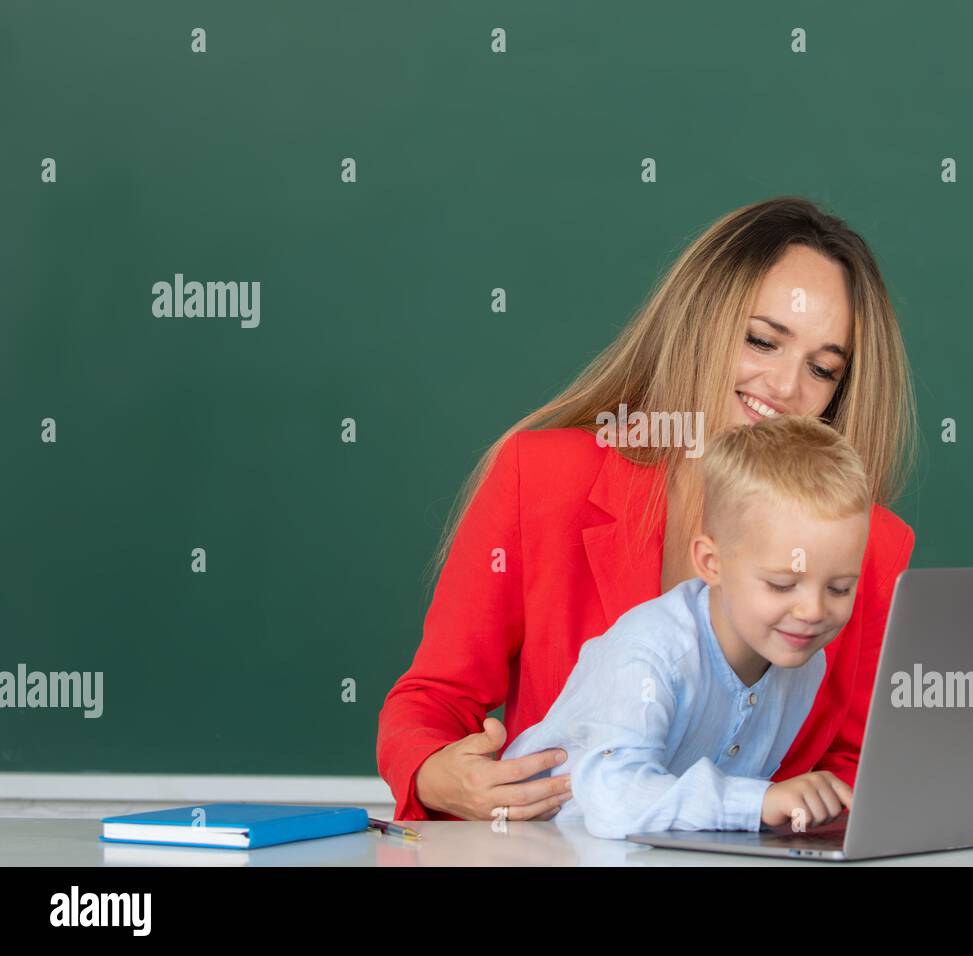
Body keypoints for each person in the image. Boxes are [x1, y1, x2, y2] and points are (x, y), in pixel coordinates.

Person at [377, 195, 918, 822]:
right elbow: (432, 700)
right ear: (700, 323)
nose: (787, 387)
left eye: (822, 369)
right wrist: (434, 772)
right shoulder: (543, 478)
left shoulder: (869, 543)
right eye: (762, 341)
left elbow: (857, 767)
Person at [499, 414, 869, 838]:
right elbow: (615, 798)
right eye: (782, 584)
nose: (813, 611)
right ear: (712, 564)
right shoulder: (652, 653)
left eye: (840, 588)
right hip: (535, 848)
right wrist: (758, 801)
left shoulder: (803, 660)